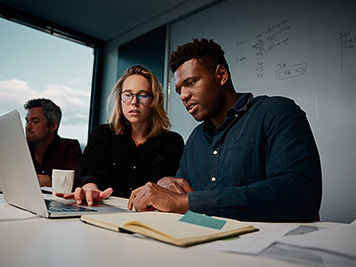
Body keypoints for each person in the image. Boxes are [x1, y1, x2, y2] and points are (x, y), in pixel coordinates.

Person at [128, 38, 322, 222]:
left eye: (191, 82)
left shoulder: (276, 113)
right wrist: (166, 186)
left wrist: (187, 202)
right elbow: (177, 194)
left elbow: (301, 194)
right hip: (200, 244)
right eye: (179, 90)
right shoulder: (195, 139)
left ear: (221, 75)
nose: (184, 96)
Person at [57, 65, 184, 206]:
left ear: (154, 101)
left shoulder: (172, 142)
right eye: (128, 95)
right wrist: (90, 187)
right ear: (120, 99)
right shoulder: (101, 135)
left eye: (143, 95)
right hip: (102, 210)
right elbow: (90, 172)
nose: (134, 102)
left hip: (146, 216)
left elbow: (165, 184)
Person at [24, 98, 82, 187]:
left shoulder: (69, 147)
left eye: (35, 122)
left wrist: (26, 179)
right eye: (27, 121)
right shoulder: (20, 148)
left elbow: (71, 180)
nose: (28, 127)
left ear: (53, 126)